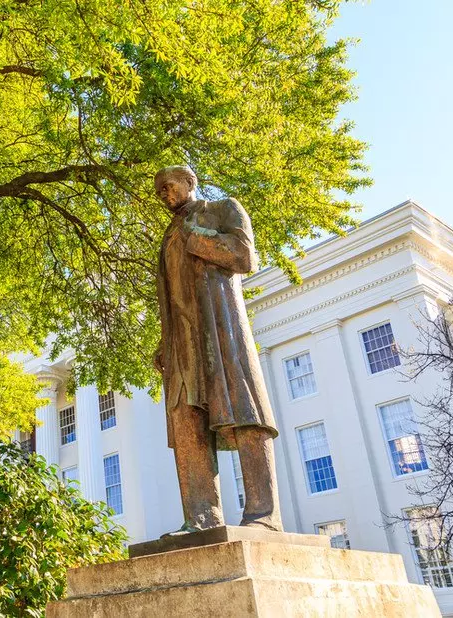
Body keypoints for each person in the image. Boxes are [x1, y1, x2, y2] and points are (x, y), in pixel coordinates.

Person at [153, 165, 282, 533]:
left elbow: (244, 255)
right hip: (182, 338)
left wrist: (196, 237)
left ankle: (263, 514)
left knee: (244, 410)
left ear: (191, 183)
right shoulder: (167, 235)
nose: (164, 194)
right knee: (186, 419)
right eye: (159, 191)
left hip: (220, 325)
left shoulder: (222, 209)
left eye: (169, 186)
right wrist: (165, 342)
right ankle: (201, 519)